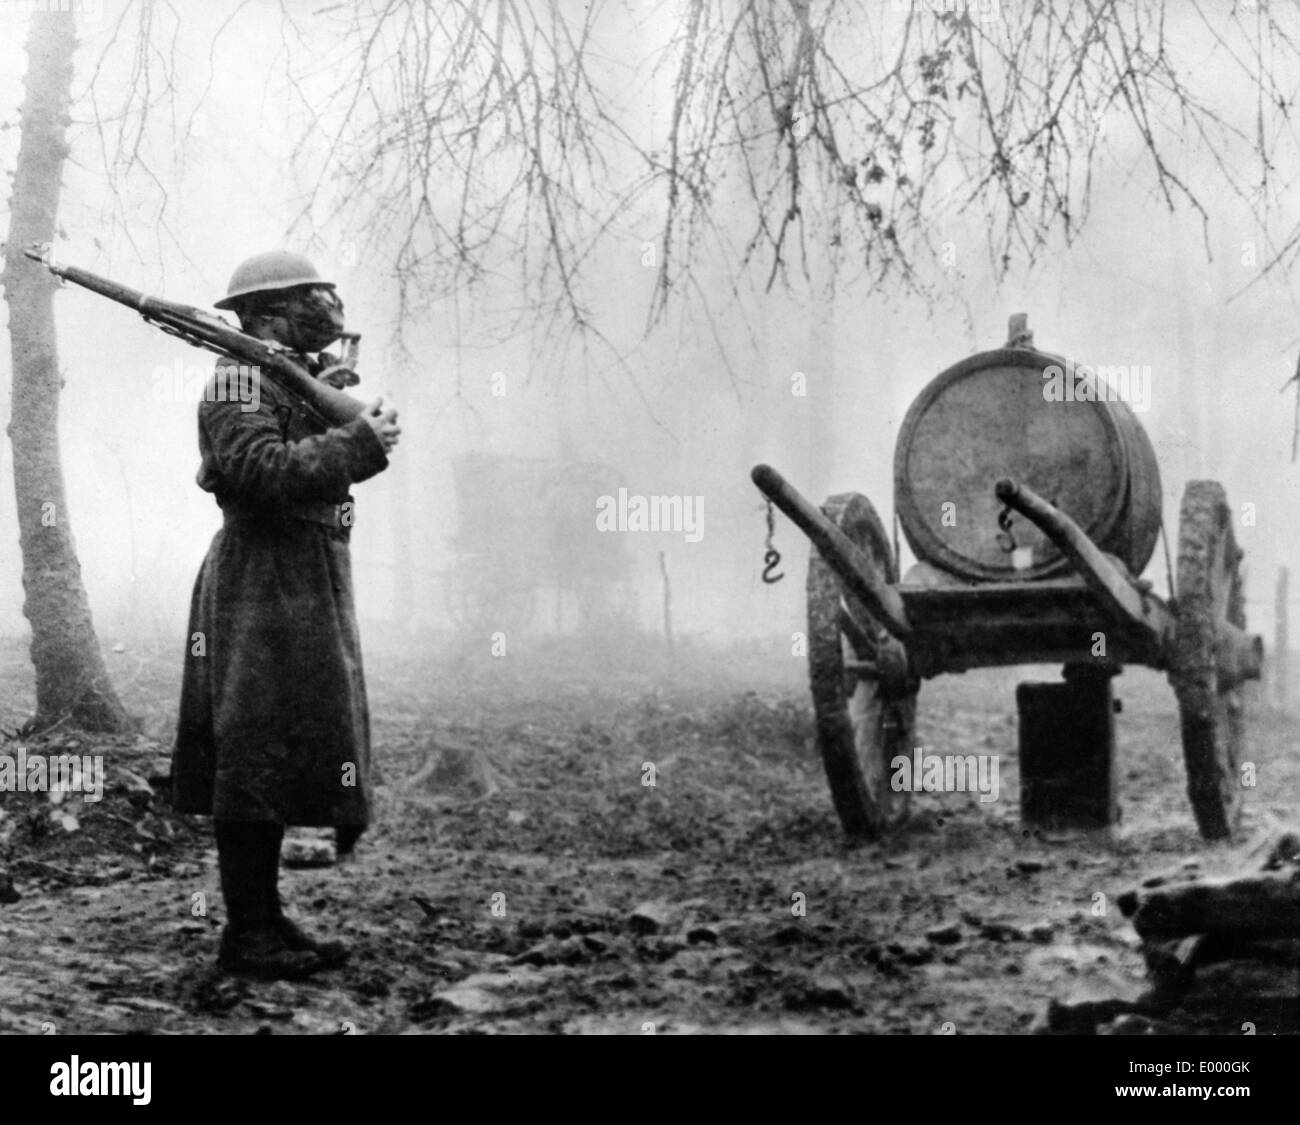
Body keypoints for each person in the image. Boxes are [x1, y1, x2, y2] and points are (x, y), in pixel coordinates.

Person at [172, 251, 400, 980]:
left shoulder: (278, 374)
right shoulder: (239, 377)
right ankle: (247, 936)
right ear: (267, 312)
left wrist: (325, 405)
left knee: (288, 747)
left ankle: (265, 918)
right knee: (253, 754)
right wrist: (356, 444)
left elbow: (291, 448)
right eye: (310, 299)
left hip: (304, 574)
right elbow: (260, 472)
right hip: (262, 579)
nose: (326, 309)